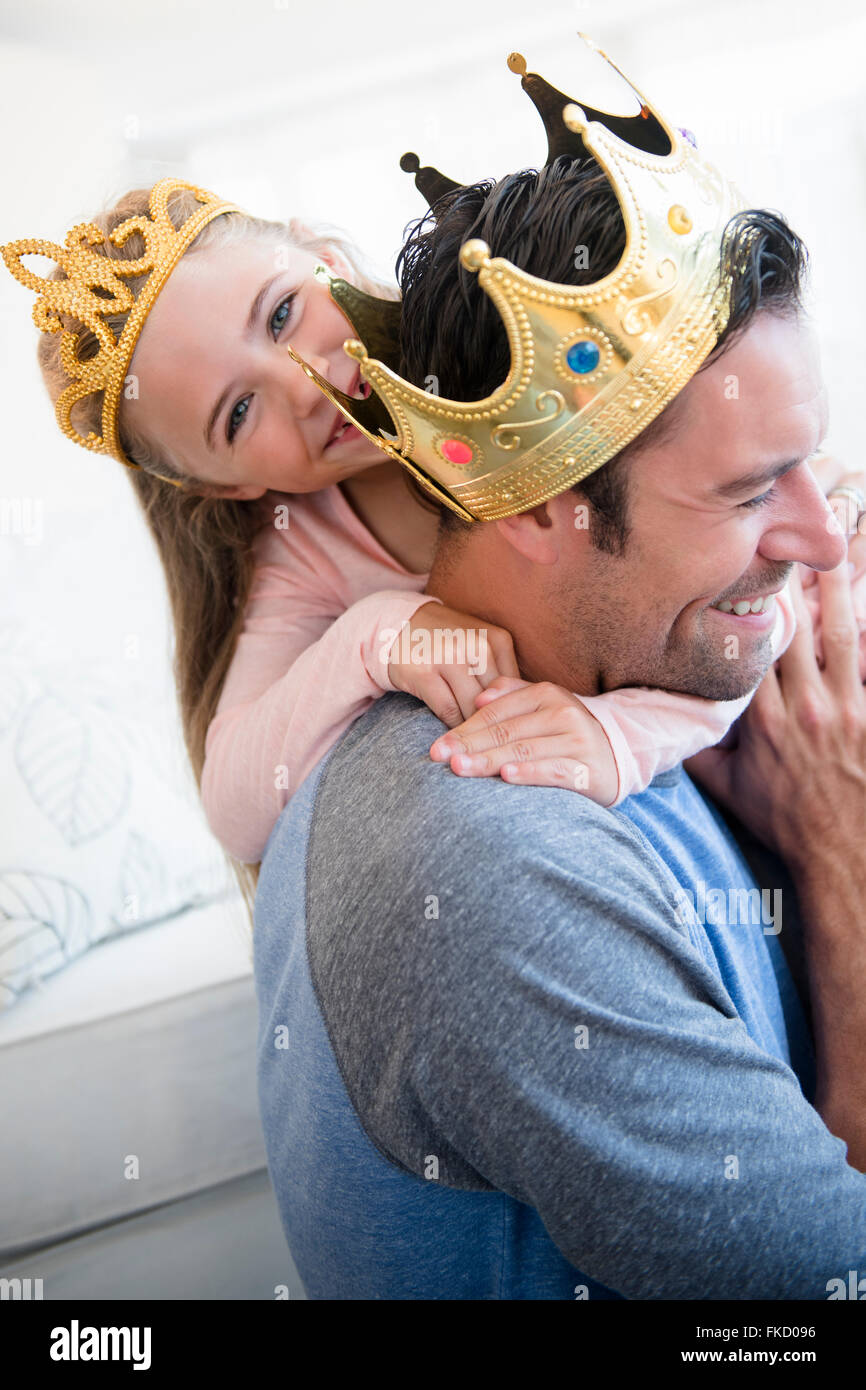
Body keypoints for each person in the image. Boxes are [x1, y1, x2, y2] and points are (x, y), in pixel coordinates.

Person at [249, 101, 866, 1294]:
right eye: (746, 494)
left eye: (809, 464)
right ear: (538, 507)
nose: (817, 541)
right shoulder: (494, 865)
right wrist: (841, 866)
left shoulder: (657, 676)